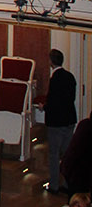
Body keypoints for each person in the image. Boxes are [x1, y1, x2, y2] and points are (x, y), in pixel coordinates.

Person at [43, 49, 78, 194]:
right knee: (67, 153)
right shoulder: (70, 76)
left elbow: (53, 101)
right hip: (69, 119)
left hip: (57, 122)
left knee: (54, 154)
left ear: (51, 61)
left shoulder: (55, 79)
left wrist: (44, 107)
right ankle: (69, 184)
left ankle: (54, 185)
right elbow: (70, 98)